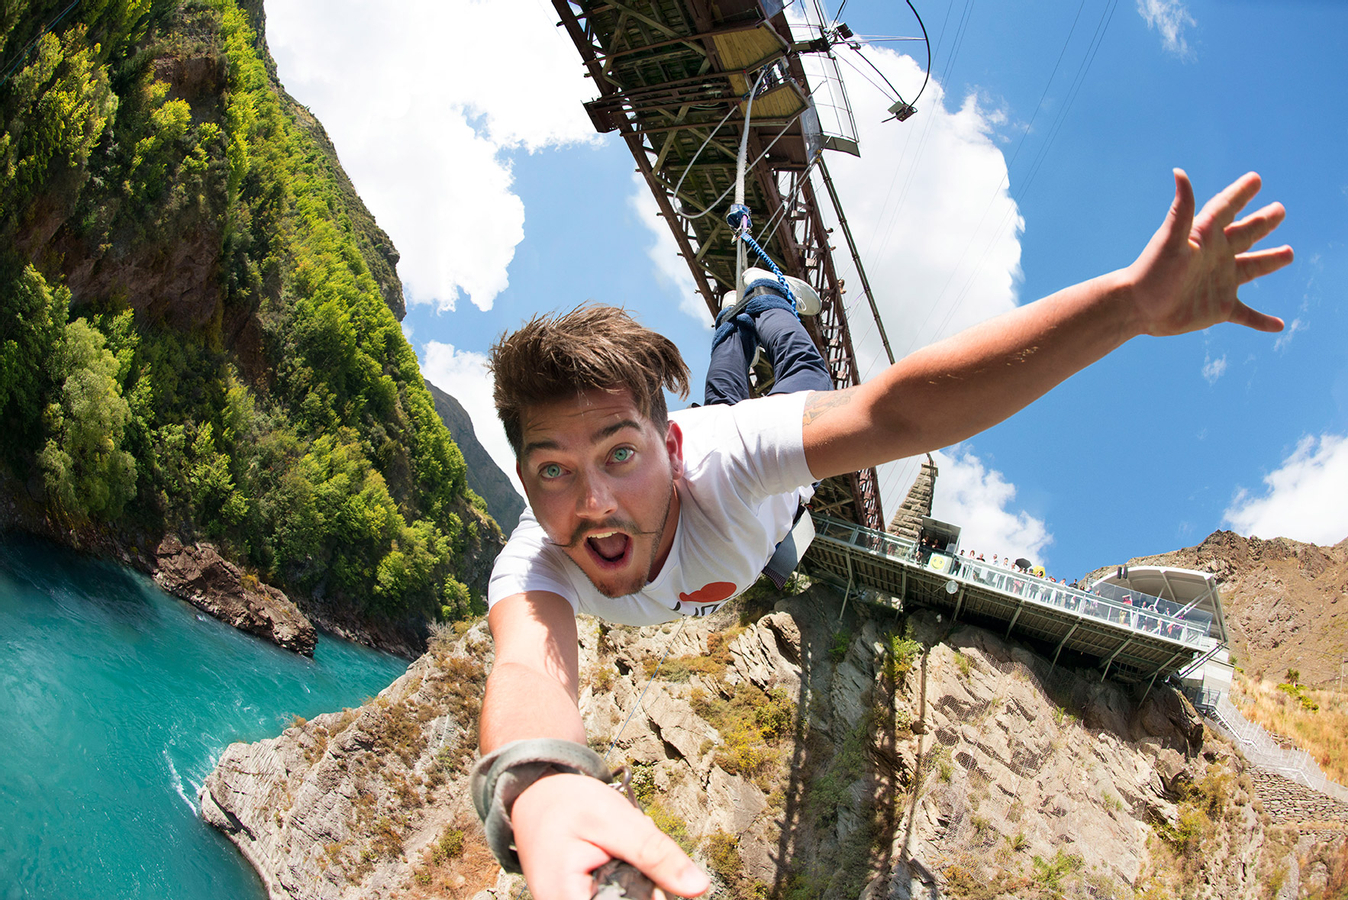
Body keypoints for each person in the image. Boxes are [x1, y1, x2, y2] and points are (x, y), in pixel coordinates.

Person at [476, 170, 1290, 900]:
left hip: (764, 509)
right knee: (722, 388)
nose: (595, 503)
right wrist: (541, 780)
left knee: (803, 378)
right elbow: (526, 665)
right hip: (736, 516)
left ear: (671, 449)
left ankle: (766, 305)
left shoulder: (728, 461)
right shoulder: (536, 558)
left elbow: (894, 411)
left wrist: (1128, 307)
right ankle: (734, 322)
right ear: (525, 483)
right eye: (554, 470)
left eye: (620, 454)